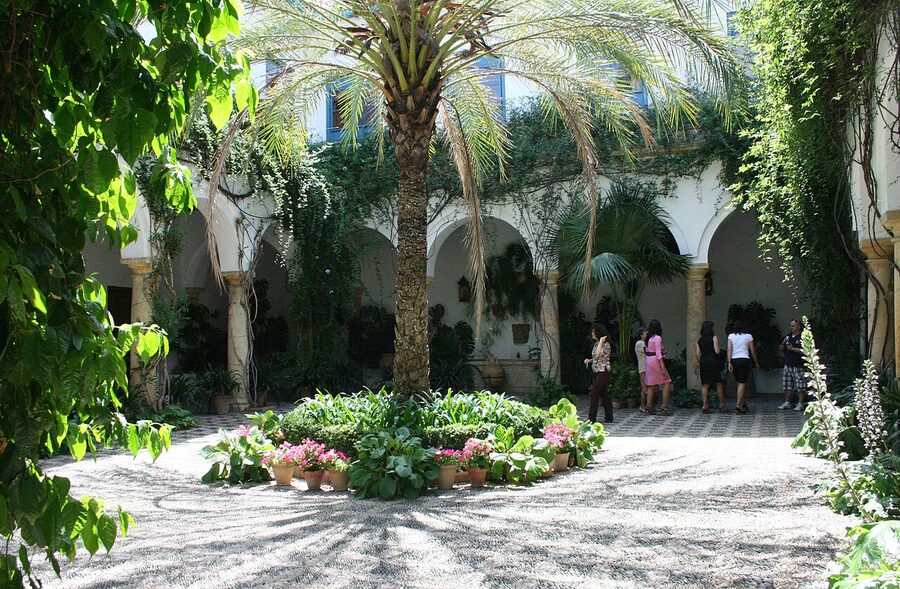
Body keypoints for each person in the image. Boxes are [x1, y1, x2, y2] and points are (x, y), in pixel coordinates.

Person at [727, 320, 760, 414]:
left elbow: (729, 349)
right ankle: (738, 406)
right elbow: (753, 351)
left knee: (740, 382)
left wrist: (729, 362)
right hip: (744, 360)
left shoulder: (731, 336)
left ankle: (743, 403)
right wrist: (756, 362)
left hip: (734, 360)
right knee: (742, 383)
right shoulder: (748, 336)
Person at [583, 323, 613, 423]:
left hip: (603, 371)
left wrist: (601, 341)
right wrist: (589, 360)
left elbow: (598, 353)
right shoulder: (597, 344)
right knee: (604, 394)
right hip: (597, 370)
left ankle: (591, 418)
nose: (592, 333)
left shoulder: (605, 345)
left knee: (594, 392)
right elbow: (596, 357)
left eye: (593, 331)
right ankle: (609, 416)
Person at [696, 321, 727, 414]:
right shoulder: (714, 338)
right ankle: (722, 404)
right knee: (718, 383)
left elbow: (697, 354)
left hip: (704, 362)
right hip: (713, 361)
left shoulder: (699, 340)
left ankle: (705, 405)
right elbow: (717, 351)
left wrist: (701, 361)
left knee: (705, 384)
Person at [644, 319, 672, 416]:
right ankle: (664, 406)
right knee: (667, 381)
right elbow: (658, 354)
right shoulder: (658, 338)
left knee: (651, 384)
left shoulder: (648, 338)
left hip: (648, 360)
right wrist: (662, 366)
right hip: (655, 361)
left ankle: (648, 406)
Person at [778, 319, 807, 411]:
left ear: (799, 327)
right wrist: (783, 344)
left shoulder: (802, 337)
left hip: (798, 364)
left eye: (793, 326)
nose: (791, 328)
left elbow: (806, 351)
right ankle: (787, 402)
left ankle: (800, 403)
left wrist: (793, 349)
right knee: (787, 385)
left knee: (800, 385)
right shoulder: (788, 336)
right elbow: (780, 349)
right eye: (791, 326)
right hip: (788, 363)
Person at [635, 326, 649, 413]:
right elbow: (647, 352)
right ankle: (643, 405)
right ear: (641, 335)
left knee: (646, 387)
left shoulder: (643, 342)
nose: (647, 333)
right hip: (644, 368)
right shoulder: (640, 343)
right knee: (645, 388)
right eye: (645, 332)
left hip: (646, 368)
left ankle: (647, 405)